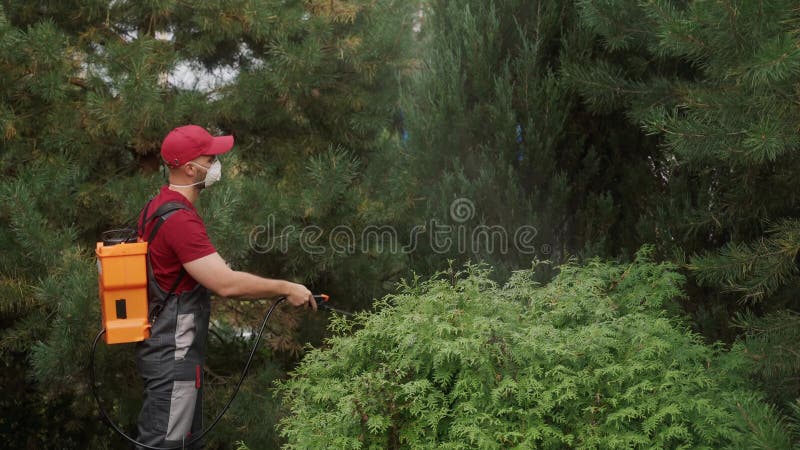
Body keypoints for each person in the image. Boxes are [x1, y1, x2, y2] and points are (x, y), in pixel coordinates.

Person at [135, 124, 316, 448]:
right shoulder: (179, 220)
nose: (218, 163)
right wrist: (286, 287)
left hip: (173, 351)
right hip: (173, 355)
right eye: (211, 157)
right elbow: (226, 284)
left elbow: (198, 270)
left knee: (185, 443)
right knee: (165, 444)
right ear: (191, 169)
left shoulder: (159, 206)